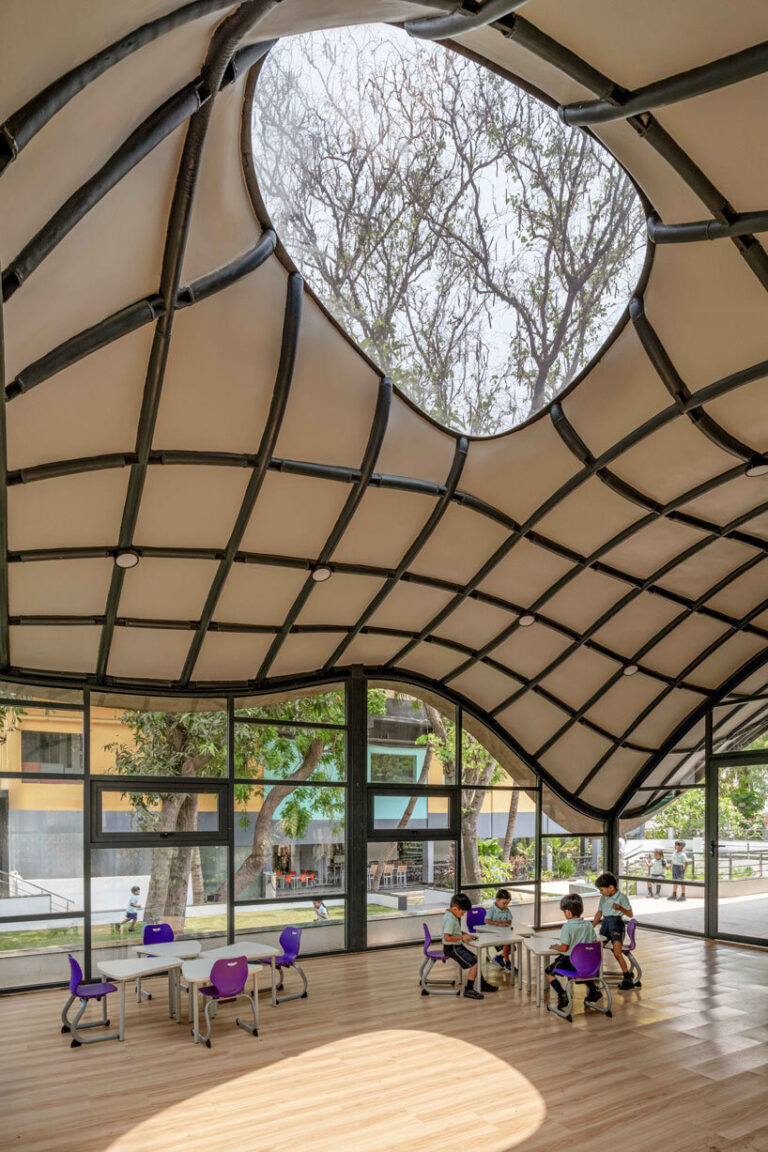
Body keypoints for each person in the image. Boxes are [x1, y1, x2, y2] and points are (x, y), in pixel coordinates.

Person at [546, 893, 601, 1012]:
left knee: (548, 972)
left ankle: (562, 994)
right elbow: (593, 942)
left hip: (570, 961)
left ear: (568, 912)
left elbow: (565, 948)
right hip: (588, 964)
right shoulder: (588, 925)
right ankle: (594, 990)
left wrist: (556, 947)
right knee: (582, 971)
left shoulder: (567, 927)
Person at [442, 892, 497, 1000]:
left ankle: (482, 983)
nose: (462, 915)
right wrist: (462, 938)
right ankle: (469, 989)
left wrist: (466, 935)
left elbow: (455, 932)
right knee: (475, 963)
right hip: (452, 948)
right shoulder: (450, 920)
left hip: (456, 946)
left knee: (477, 958)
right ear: (455, 909)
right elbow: (447, 937)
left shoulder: (451, 916)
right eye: (462, 913)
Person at [592, 871, 635, 989]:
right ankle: (595, 972)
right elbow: (599, 912)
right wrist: (592, 926)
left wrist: (620, 907)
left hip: (616, 924)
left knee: (617, 952)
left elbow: (630, 914)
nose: (601, 892)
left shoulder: (622, 898)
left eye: (602, 889)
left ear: (611, 887)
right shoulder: (603, 898)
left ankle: (627, 976)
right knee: (596, 948)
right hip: (605, 924)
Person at [485, 887, 514, 971]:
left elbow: (509, 920)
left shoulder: (506, 910)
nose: (505, 905)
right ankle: (508, 963)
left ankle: (499, 958)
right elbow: (486, 920)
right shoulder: (492, 910)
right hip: (493, 935)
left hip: (504, 933)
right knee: (507, 943)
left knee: (513, 948)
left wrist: (507, 923)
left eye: (507, 903)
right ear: (497, 900)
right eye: (504, 903)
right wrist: (498, 923)